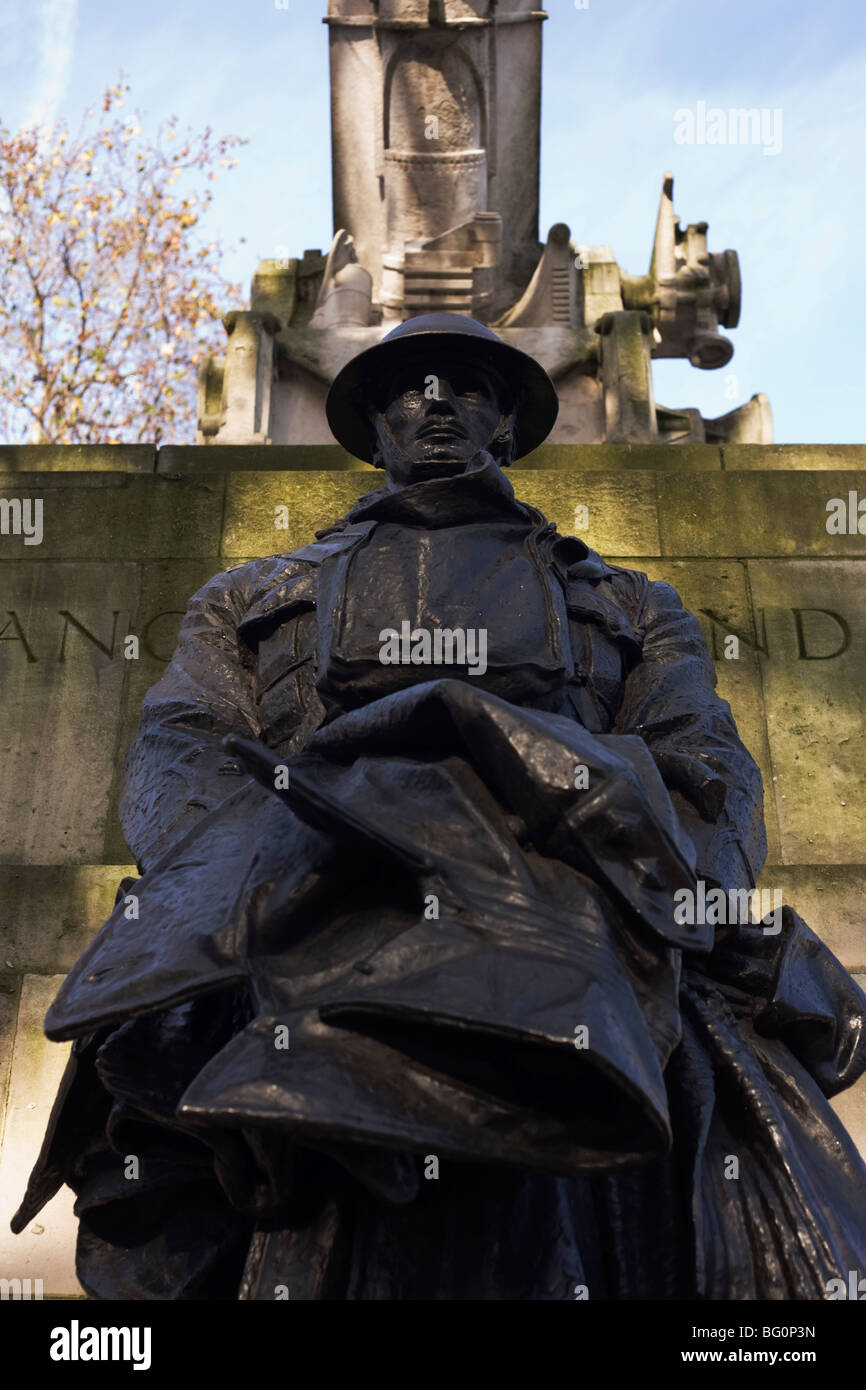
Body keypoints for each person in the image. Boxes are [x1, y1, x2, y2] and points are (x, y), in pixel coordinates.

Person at [14, 314, 866, 1300]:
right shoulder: (247, 597)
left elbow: (705, 774)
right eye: (408, 389)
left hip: (574, 937)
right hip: (307, 918)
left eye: (465, 386)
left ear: (504, 421)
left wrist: (594, 842)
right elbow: (182, 758)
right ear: (373, 426)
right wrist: (291, 870)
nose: (435, 404)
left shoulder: (630, 603)